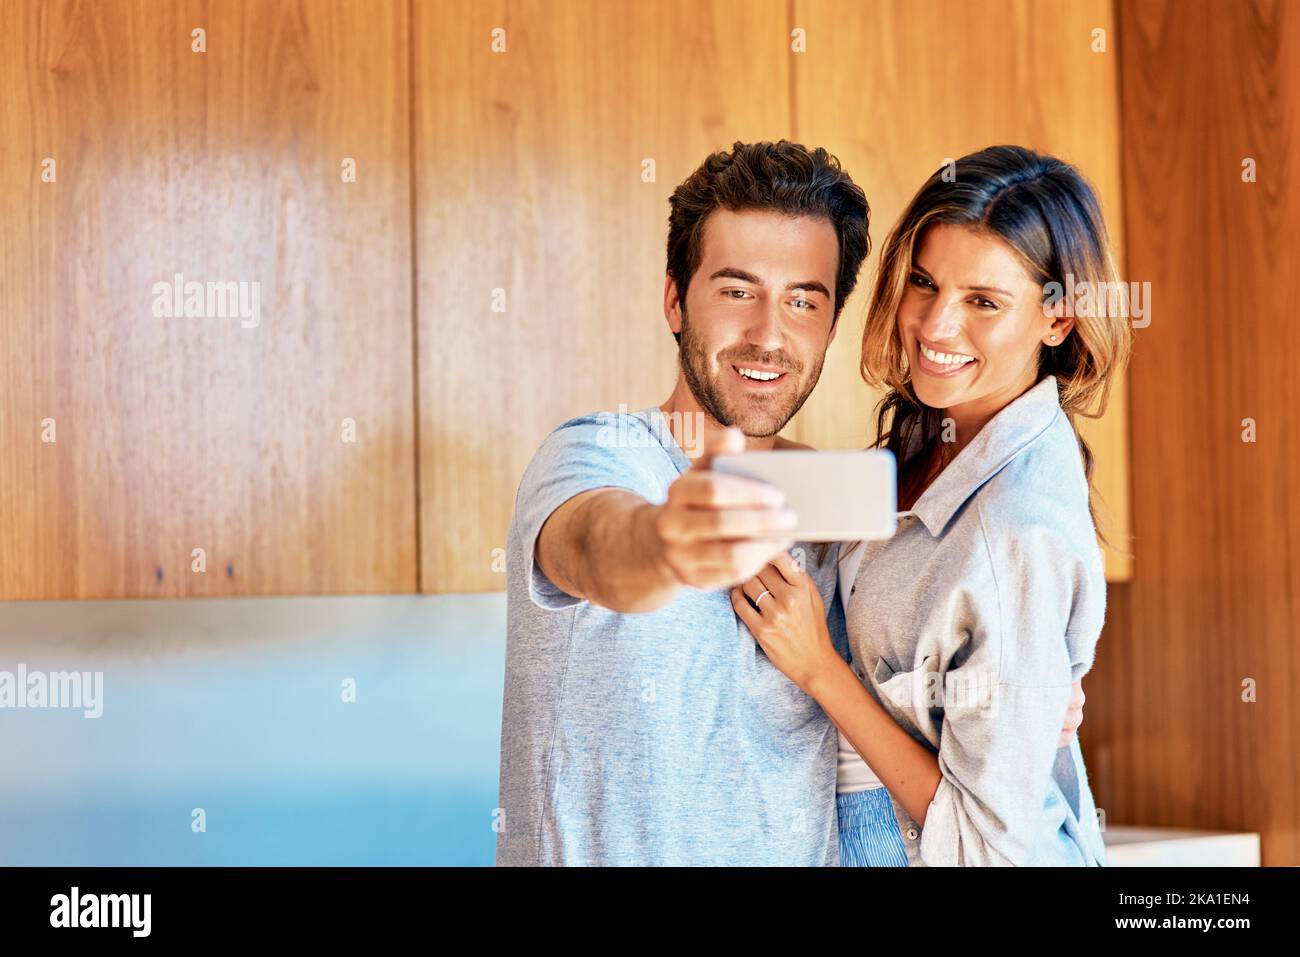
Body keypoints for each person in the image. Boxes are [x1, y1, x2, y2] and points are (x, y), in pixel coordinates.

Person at [496, 140, 1084, 866]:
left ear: (832, 325)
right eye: (737, 290)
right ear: (676, 300)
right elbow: (596, 547)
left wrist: (1018, 698)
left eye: (803, 299)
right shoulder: (600, 457)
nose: (769, 335)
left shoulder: (850, 508)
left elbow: (915, 686)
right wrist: (666, 541)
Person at [734, 145, 1128, 866]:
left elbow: (987, 851)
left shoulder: (1018, 529)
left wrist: (819, 667)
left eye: (983, 301)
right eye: (923, 282)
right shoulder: (943, 433)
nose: (935, 325)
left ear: (1058, 321)